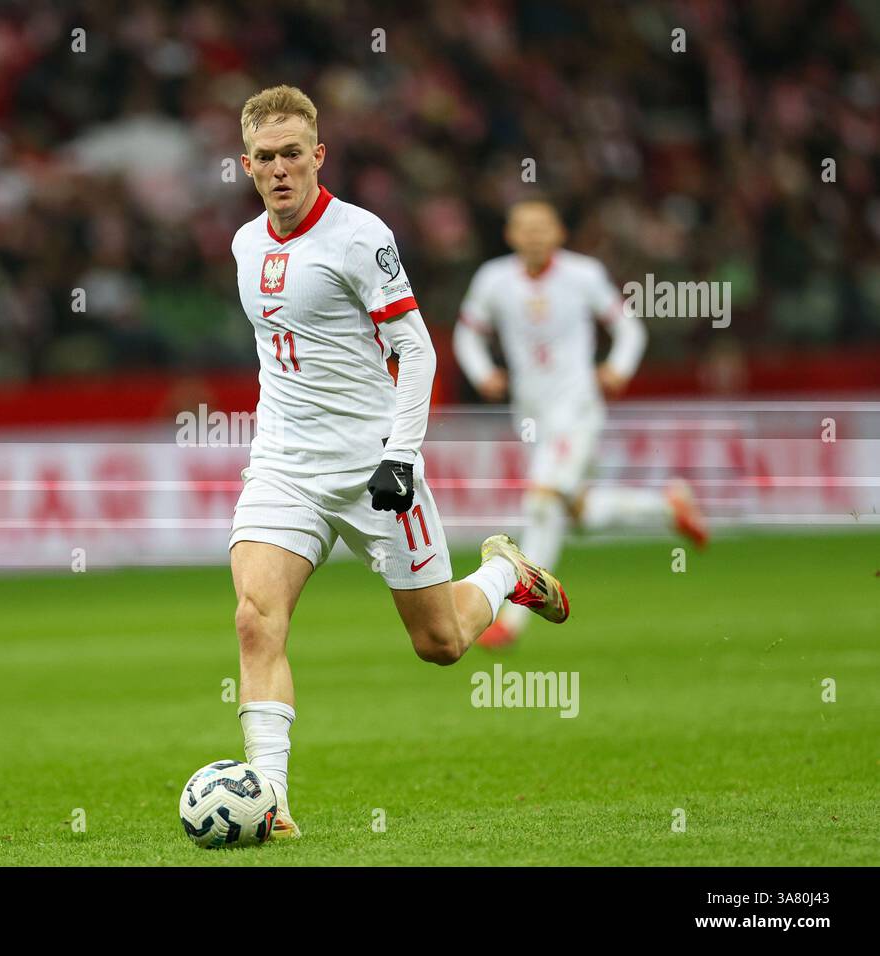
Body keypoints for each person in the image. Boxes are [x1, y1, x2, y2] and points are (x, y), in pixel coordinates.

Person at [227, 88, 570, 838]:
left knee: (440, 644)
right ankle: (271, 798)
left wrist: (400, 455)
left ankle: (505, 571)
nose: (280, 169)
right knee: (256, 620)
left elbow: (416, 349)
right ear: (245, 164)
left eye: (293, 155)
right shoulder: (245, 245)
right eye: (265, 158)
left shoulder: (359, 236)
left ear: (318, 156)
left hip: (375, 468)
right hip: (284, 467)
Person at [452, 199, 709, 649]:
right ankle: (669, 506)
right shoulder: (494, 279)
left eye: (542, 228)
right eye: (523, 228)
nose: (533, 236)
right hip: (530, 413)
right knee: (578, 513)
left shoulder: (583, 274)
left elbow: (629, 327)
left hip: (577, 408)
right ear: (510, 236)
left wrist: (618, 367)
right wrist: (482, 373)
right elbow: (466, 332)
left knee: (541, 500)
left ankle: (512, 619)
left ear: (558, 234)